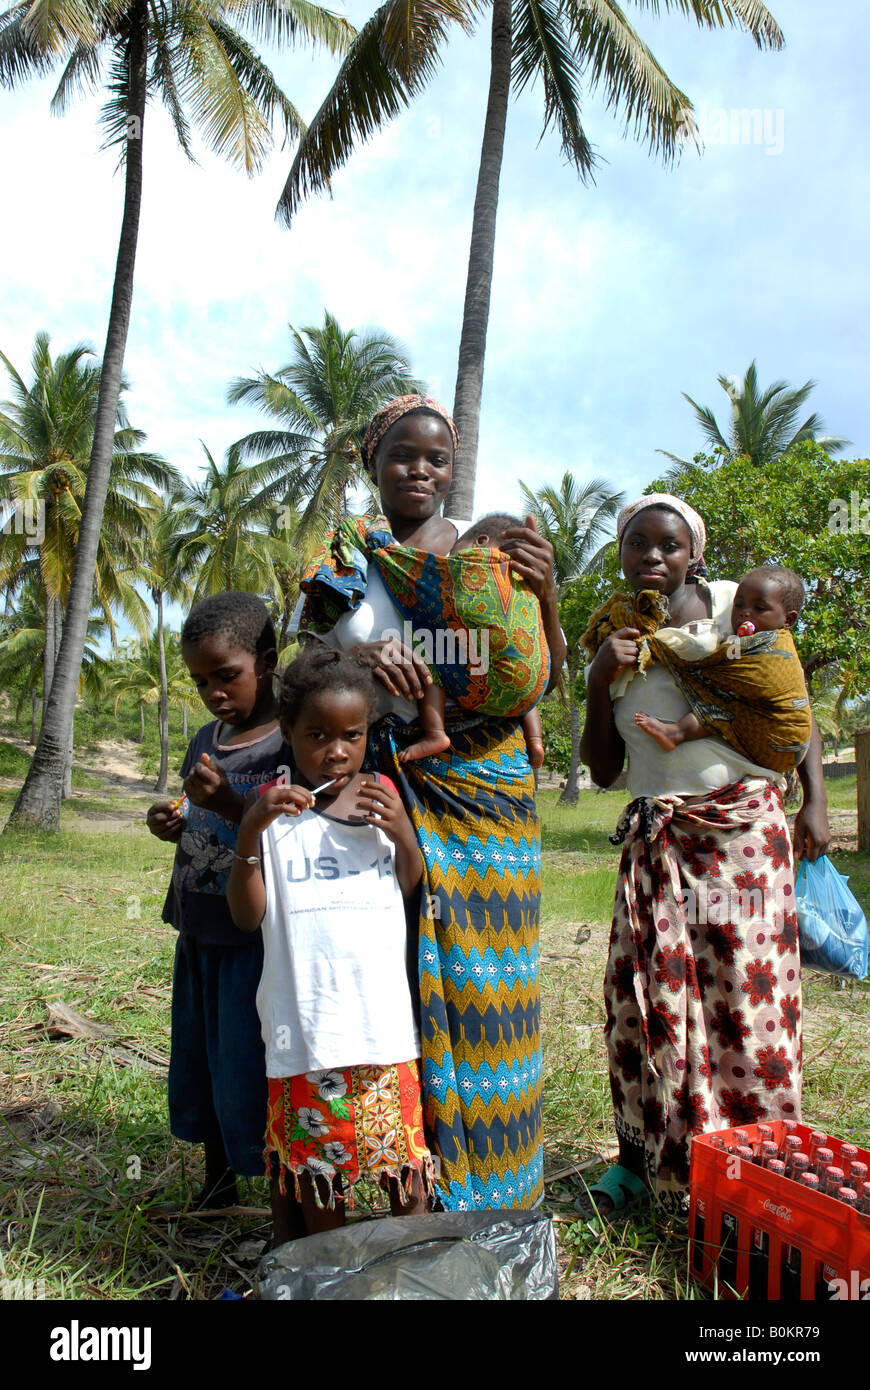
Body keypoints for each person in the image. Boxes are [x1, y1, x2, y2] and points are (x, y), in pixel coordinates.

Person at [297, 393, 566, 1211]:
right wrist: (363, 662)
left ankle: (492, 1188)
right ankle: (401, 1180)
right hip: (380, 787)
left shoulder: (487, 547)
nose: (421, 469)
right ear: (371, 466)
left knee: (492, 985)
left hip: (486, 792)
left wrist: (549, 597)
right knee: (388, 976)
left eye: (437, 458)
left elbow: (538, 670)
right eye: (403, 456)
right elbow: (301, 672)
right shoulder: (343, 559)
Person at [579, 495, 830, 1215]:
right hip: (659, 839)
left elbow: (791, 705)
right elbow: (601, 769)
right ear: (622, 553)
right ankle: (638, 1156)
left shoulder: (738, 608)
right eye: (637, 544)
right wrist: (600, 679)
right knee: (642, 998)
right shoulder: (616, 634)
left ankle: (760, 1158)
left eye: (669, 544)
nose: (652, 557)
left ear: (696, 553)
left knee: (746, 1000)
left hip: (743, 837)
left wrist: (813, 798)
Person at [226, 644, 435, 1241]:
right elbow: (247, 916)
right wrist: (249, 831)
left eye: (352, 734)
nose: (336, 751)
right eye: (317, 734)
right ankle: (327, 1273)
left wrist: (403, 834)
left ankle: (411, 1267)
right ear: (288, 731)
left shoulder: (382, 798)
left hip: (383, 1029)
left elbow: (411, 885)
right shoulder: (273, 811)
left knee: (404, 1172)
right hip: (304, 1031)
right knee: (319, 1181)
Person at [146, 592, 290, 1209]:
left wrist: (232, 804)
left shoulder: (291, 742)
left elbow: (293, 834)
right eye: (200, 682)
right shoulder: (207, 736)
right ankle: (217, 1180)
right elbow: (192, 810)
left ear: (266, 659)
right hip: (197, 924)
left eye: (226, 675)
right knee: (201, 1056)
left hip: (254, 936)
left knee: (245, 1060)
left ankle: (274, 1178)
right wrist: (172, 821)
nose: (213, 694)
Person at [627, 564, 811, 769]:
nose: (745, 614)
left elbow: (722, 670)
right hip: (767, 745)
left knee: (721, 704)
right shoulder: (738, 640)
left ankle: (677, 732)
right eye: (739, 605)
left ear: (789, 619)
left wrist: (670, 655)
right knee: (730, 703)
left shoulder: (776, 647)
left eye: (759, 608)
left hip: (784, 736)